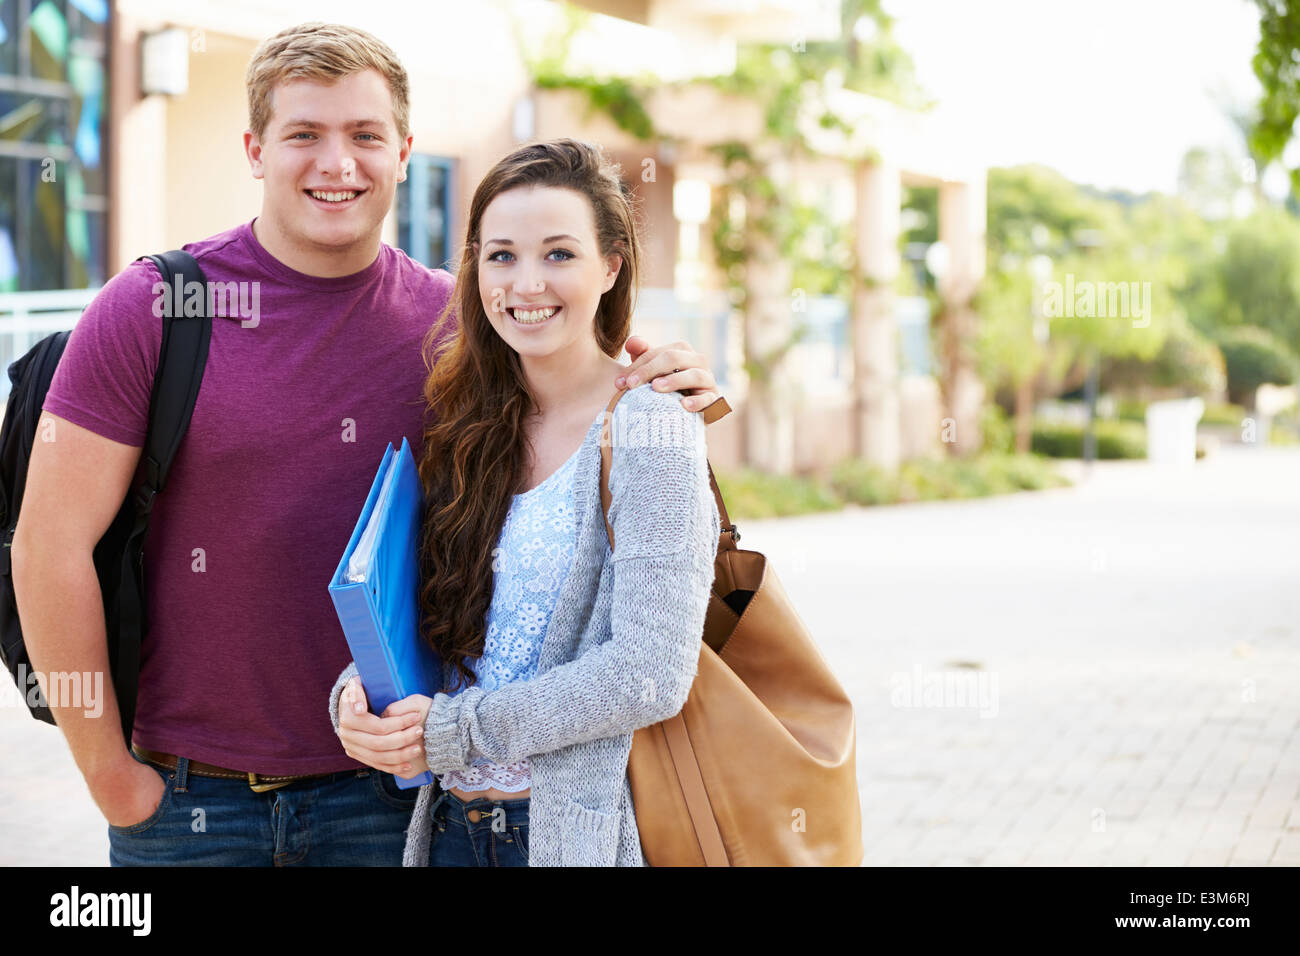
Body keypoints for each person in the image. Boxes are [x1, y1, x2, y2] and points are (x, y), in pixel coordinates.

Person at [12, 23, 720, 867]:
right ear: (255, 148)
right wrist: (110, 778)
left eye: (365, 136)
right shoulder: (154, 306)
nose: (336, 164)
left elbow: (571, 354)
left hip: (392, 802)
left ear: (405, 151)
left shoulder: (461, 324)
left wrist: (666, 380)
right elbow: (48, 546)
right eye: (304, 134)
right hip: (190, 802)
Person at [330, 138, 720, 867]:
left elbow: (650, 671)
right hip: (445, 831)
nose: (526, 282)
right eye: (502, 255)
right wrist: (362, 699)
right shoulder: (464, 423)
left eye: (560, 255)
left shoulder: (652, 426)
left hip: (563, 837)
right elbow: (438, 624)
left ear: (611, 265)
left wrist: (454, 732)